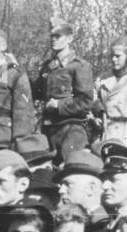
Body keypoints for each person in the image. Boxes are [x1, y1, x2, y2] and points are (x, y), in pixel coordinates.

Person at [34, 19, 96, 161]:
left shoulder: (79, 66)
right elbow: (35, 91)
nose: (53, 40)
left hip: (72, 130)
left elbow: (86, 101)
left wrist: (59, 105)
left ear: (69, 39)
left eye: (58, 36)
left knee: (71, 168)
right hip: (49, 128)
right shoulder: (47, 67)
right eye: (52, 36)